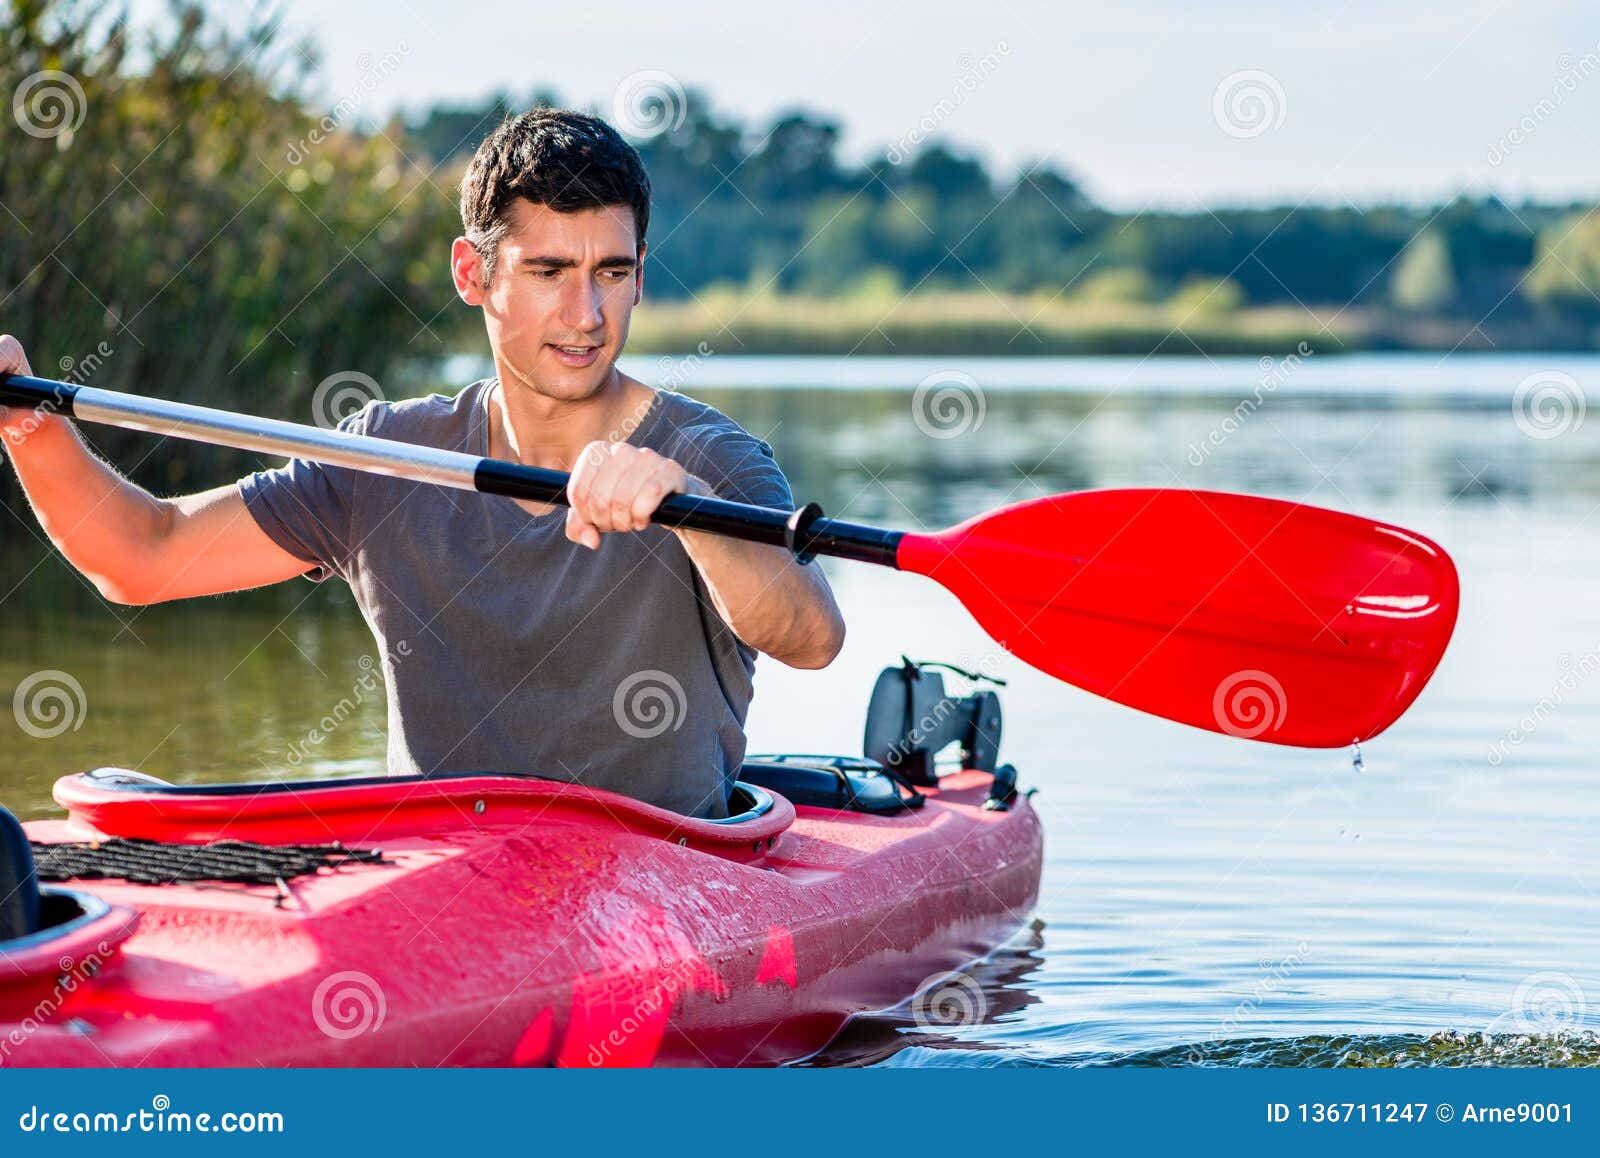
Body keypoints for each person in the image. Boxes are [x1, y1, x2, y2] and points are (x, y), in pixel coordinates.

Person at [0, 108, 844, 819]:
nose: (586, 313)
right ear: (473, 273)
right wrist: (23, 424)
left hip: (672, 886)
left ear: (639, 278)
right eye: (549, 270)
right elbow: (140, 555)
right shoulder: (387, 458)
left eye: (610, 272)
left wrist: (691, 507)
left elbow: (812, 639)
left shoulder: (712, 456)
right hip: (441, 900)